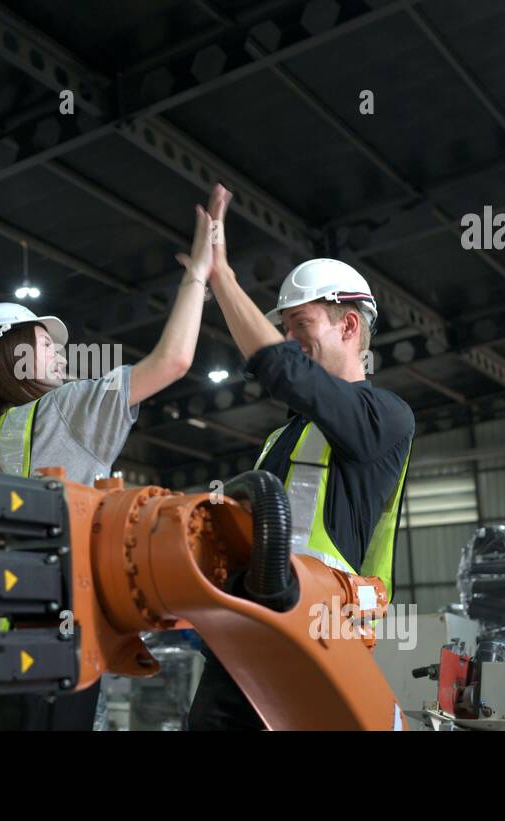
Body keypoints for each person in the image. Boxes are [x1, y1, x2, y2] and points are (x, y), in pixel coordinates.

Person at [0, 184, 232, 730]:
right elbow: (172, 361)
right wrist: (199, 276)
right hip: (59, 654)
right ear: (12, 352)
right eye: (46, 341)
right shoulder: (66, 410)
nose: (59, 351)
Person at [188, 193, 415, 730]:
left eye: (299, 323)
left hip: (318, 635)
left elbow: (287, 372)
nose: (289, 338)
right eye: (283, 327)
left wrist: (221, 278)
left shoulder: (386, 417)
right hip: (247, 632)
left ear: (349, 326)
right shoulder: (281, 439)